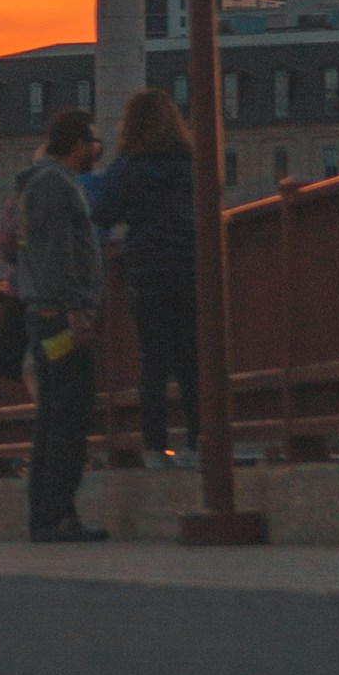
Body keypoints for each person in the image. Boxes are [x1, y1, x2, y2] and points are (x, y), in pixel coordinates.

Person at [88, 84, 202, 467]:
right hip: (191, 266)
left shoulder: (130, 167)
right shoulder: (190, 163)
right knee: (191, 358)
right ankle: (199, 442)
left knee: (153, 361)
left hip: (148, 269)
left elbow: (103, 210)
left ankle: (154, 447)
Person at [14, 103, 108, 541]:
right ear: (76, 145)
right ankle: (56, 516)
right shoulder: (55, 184)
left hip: (49, 315)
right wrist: (75, 307)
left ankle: (48, 516)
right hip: (59, 319)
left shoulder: (45, 182)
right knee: (67, 414)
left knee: (57, 415)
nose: (98, 150)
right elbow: (59, 253)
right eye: (93, 142)